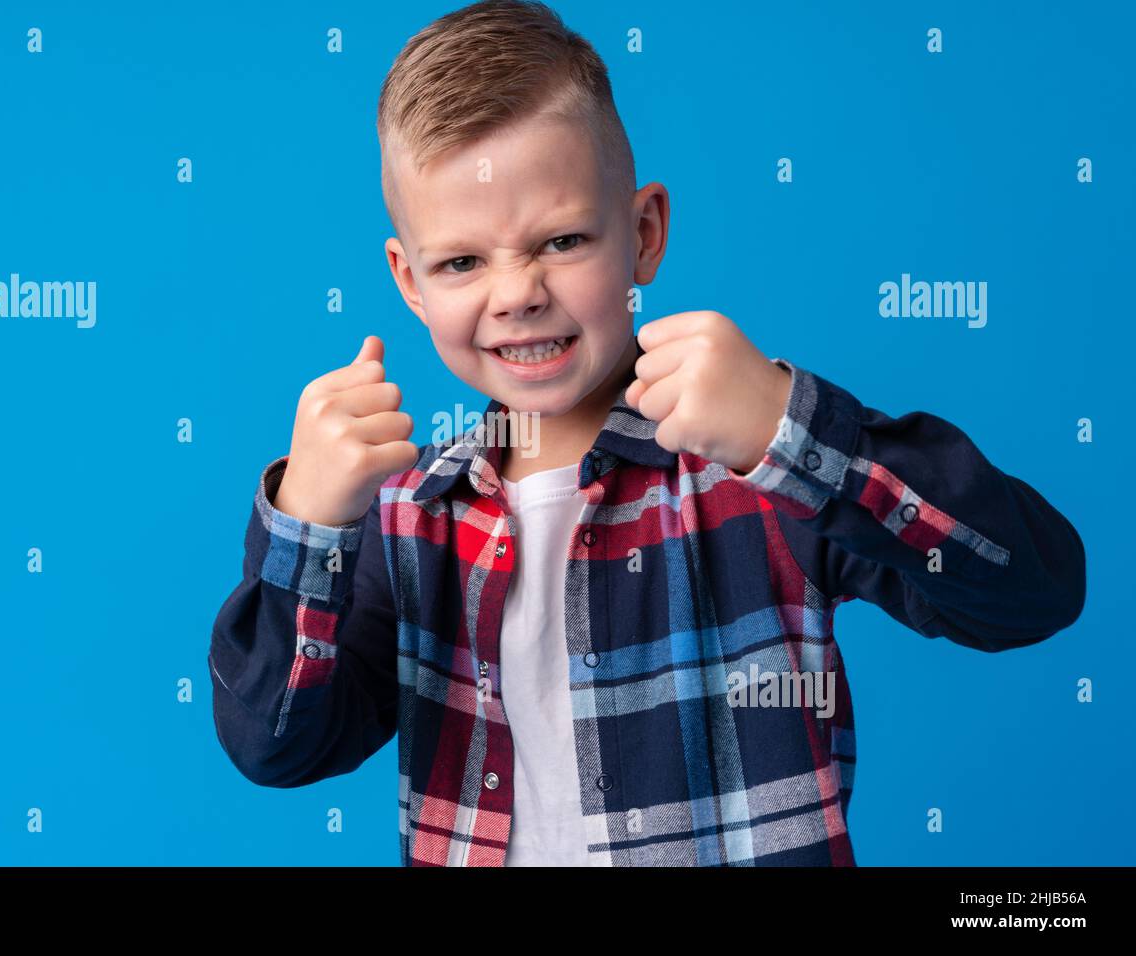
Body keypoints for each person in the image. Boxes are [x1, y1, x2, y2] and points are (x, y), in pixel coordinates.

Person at [208, 0, 1085, 866]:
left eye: (561, 240)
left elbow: (1033, 590)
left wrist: (795, 433)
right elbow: (278, 746)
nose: (515, 293)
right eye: (463, 262)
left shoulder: (757, 468)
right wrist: (309, 526)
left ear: (644, 234)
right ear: (410, 280)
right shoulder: (405, 516)